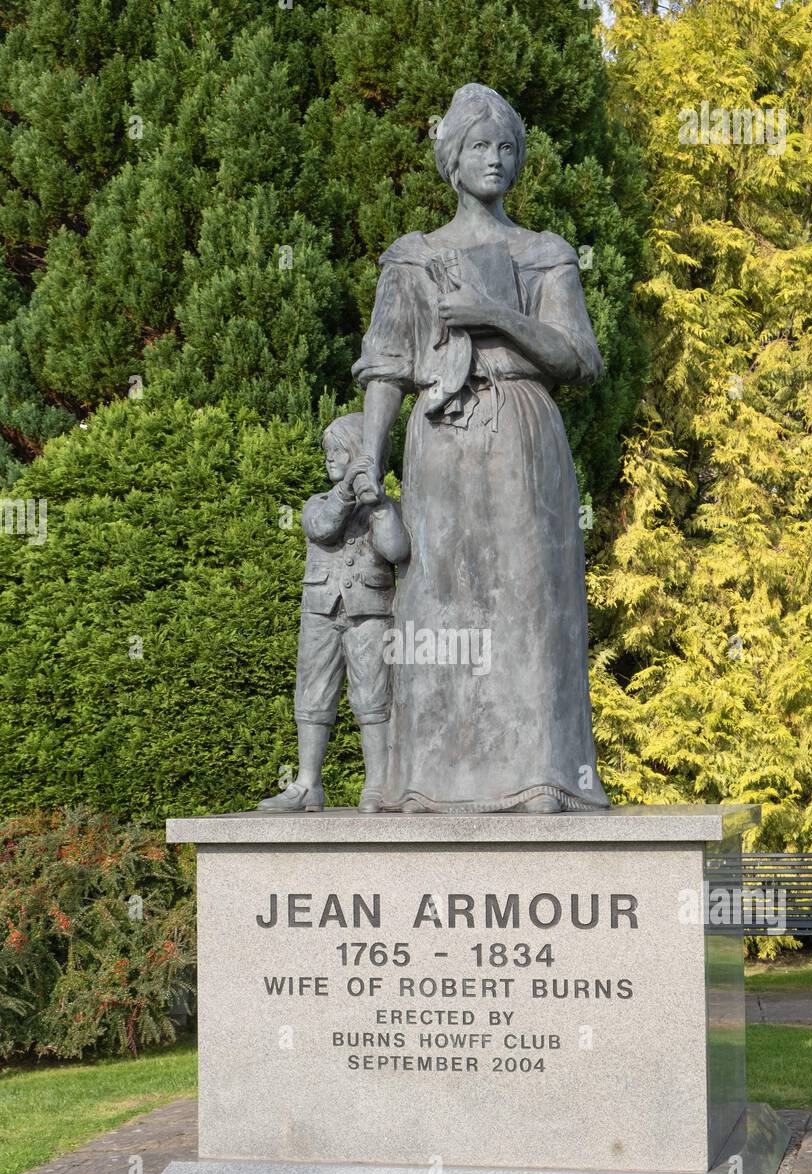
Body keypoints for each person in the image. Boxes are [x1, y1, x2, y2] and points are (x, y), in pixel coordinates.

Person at [350, 83, 610, 813]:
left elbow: (579, 358)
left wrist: (495, 315)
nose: (494, 160)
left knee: (529, 600)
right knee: (438, 603)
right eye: (477, 147)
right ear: (451, 159)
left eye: (505, 148)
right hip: (439, 437)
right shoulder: (412, 258)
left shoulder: (543, 252)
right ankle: (431, 781)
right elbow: (387, 365)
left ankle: (542, 777)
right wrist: (371, 456)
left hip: (524, 434)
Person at [258, 414, 409, 814]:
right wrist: (345, 490)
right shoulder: (319, 503)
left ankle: (378, 784)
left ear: (363, 456)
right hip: (321, 613)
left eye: (338, 452)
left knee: (373, 696)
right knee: (313, 694)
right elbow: (322, 529)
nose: (328, 459)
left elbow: (396, 551)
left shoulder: (389, 507)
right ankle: (308, 784)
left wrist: (377, 505)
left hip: (371, 614)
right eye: (327, 453)